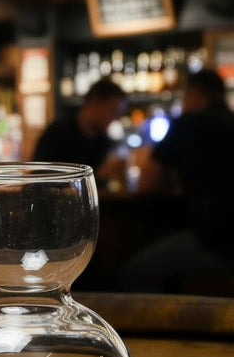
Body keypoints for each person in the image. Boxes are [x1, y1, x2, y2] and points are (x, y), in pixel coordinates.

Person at [118, 69, 234, 293]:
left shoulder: (188, 124)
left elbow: (146, 183)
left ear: (195, 94)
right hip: (224, 238)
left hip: (216, 243)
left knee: (134, 272)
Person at [32, 78, 128, 187]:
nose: (116, 118)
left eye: (119, 114)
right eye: (113, 111)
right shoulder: (57, 133)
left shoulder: (102, 141)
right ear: (95, 101)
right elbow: (38, 179)